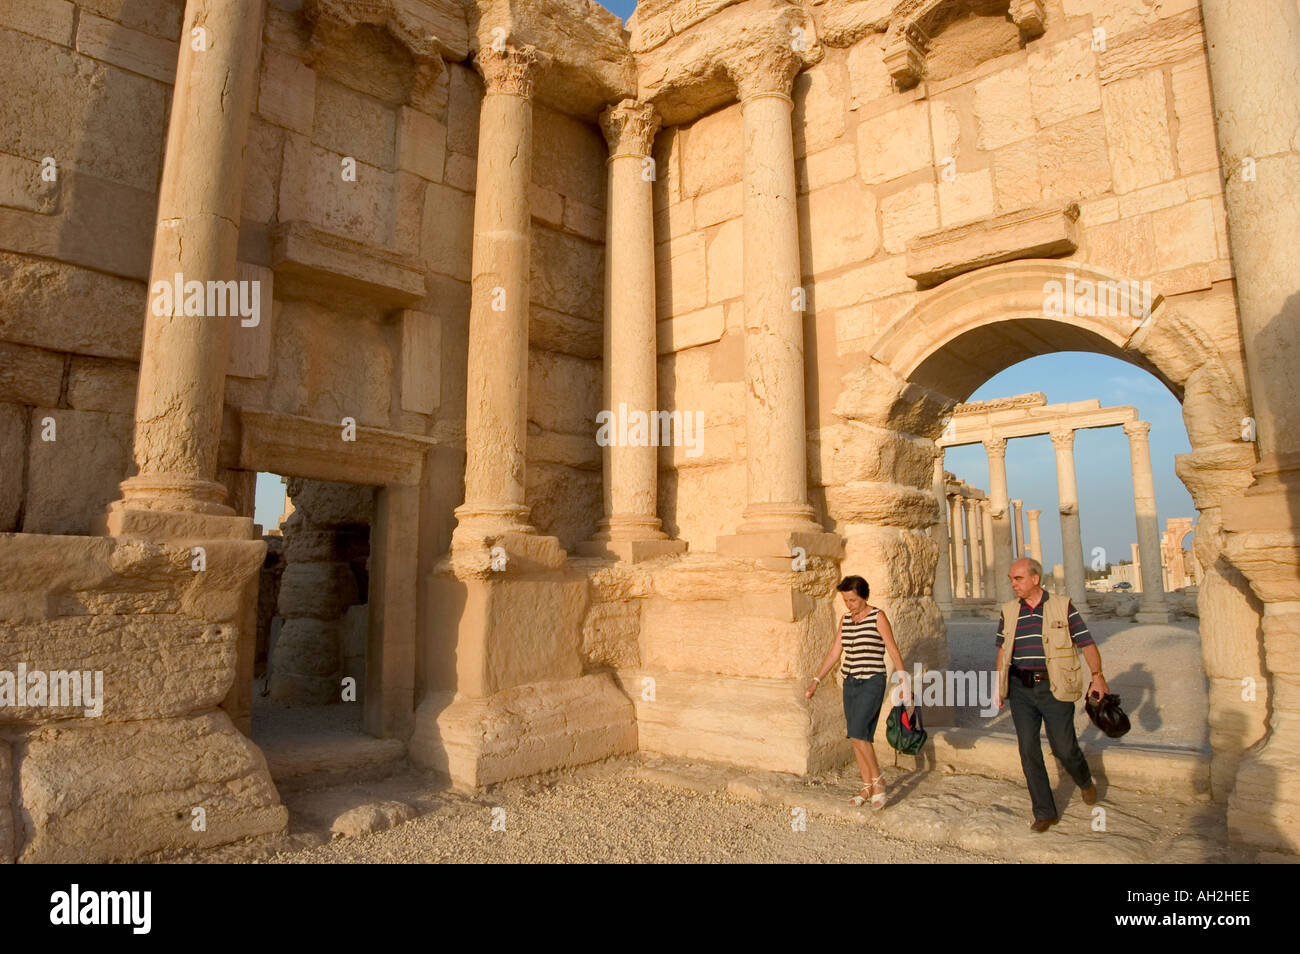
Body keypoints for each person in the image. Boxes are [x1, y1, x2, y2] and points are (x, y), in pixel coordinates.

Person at [994, 557, 1109, 831]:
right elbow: (1001, 650)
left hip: (1055, 687)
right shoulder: (1008, 611)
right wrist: (997, 687)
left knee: (1064, 747)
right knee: (1028, 749)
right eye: (1011, 579)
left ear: (1035, 579)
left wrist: (1097, 676)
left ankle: (1084, 780)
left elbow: (1086, 643)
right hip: (1021, 689)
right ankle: (1045, 811)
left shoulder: (1063, 606)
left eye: (1018, 578)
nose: (1013, 584)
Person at [806, 576, 910, 809]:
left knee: (858, 732)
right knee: (856, 737)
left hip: (872, 681)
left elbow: (892, 649)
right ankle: (866, 787)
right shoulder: (846, 620)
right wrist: (816, 680)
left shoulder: (877, 616)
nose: (849, 604)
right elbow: (835, 652)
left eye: (852, 600)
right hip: (851, 682)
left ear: (864, 597)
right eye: (845, 600)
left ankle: (878, 782)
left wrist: (904, 681)